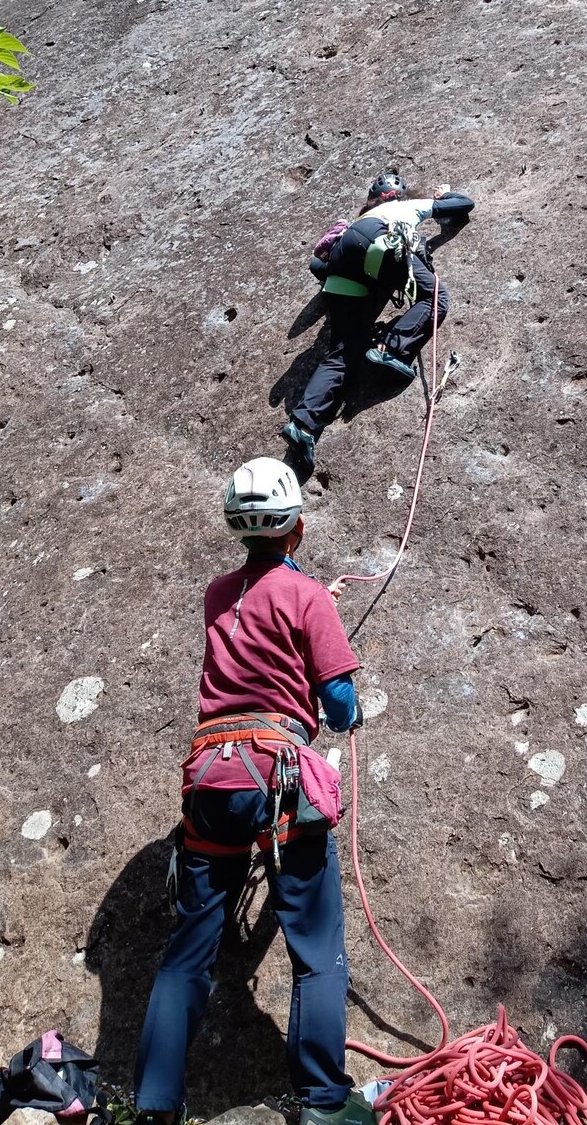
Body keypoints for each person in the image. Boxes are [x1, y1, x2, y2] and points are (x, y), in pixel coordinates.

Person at [134, 457, 371, 1125]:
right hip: (279, 774)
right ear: (298, 527)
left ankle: (155, 1106)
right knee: (315, 948)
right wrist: (349, 706)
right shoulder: (308, 596)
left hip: (212, 777)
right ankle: (324, 1102)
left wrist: (307, 597)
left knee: (190, 948)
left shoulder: (218, 594)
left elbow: (258, 620)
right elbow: (338, 700)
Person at [282, 173, 475, 467]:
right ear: (398, 194)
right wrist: (442, 196)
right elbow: (464, 204)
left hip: (343, 262)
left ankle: (303, 426)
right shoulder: (405, 206)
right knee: (435, 297)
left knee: (342, 353)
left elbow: (317, 265)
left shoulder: (359, 218)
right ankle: (390, 349)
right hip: (378, 243)